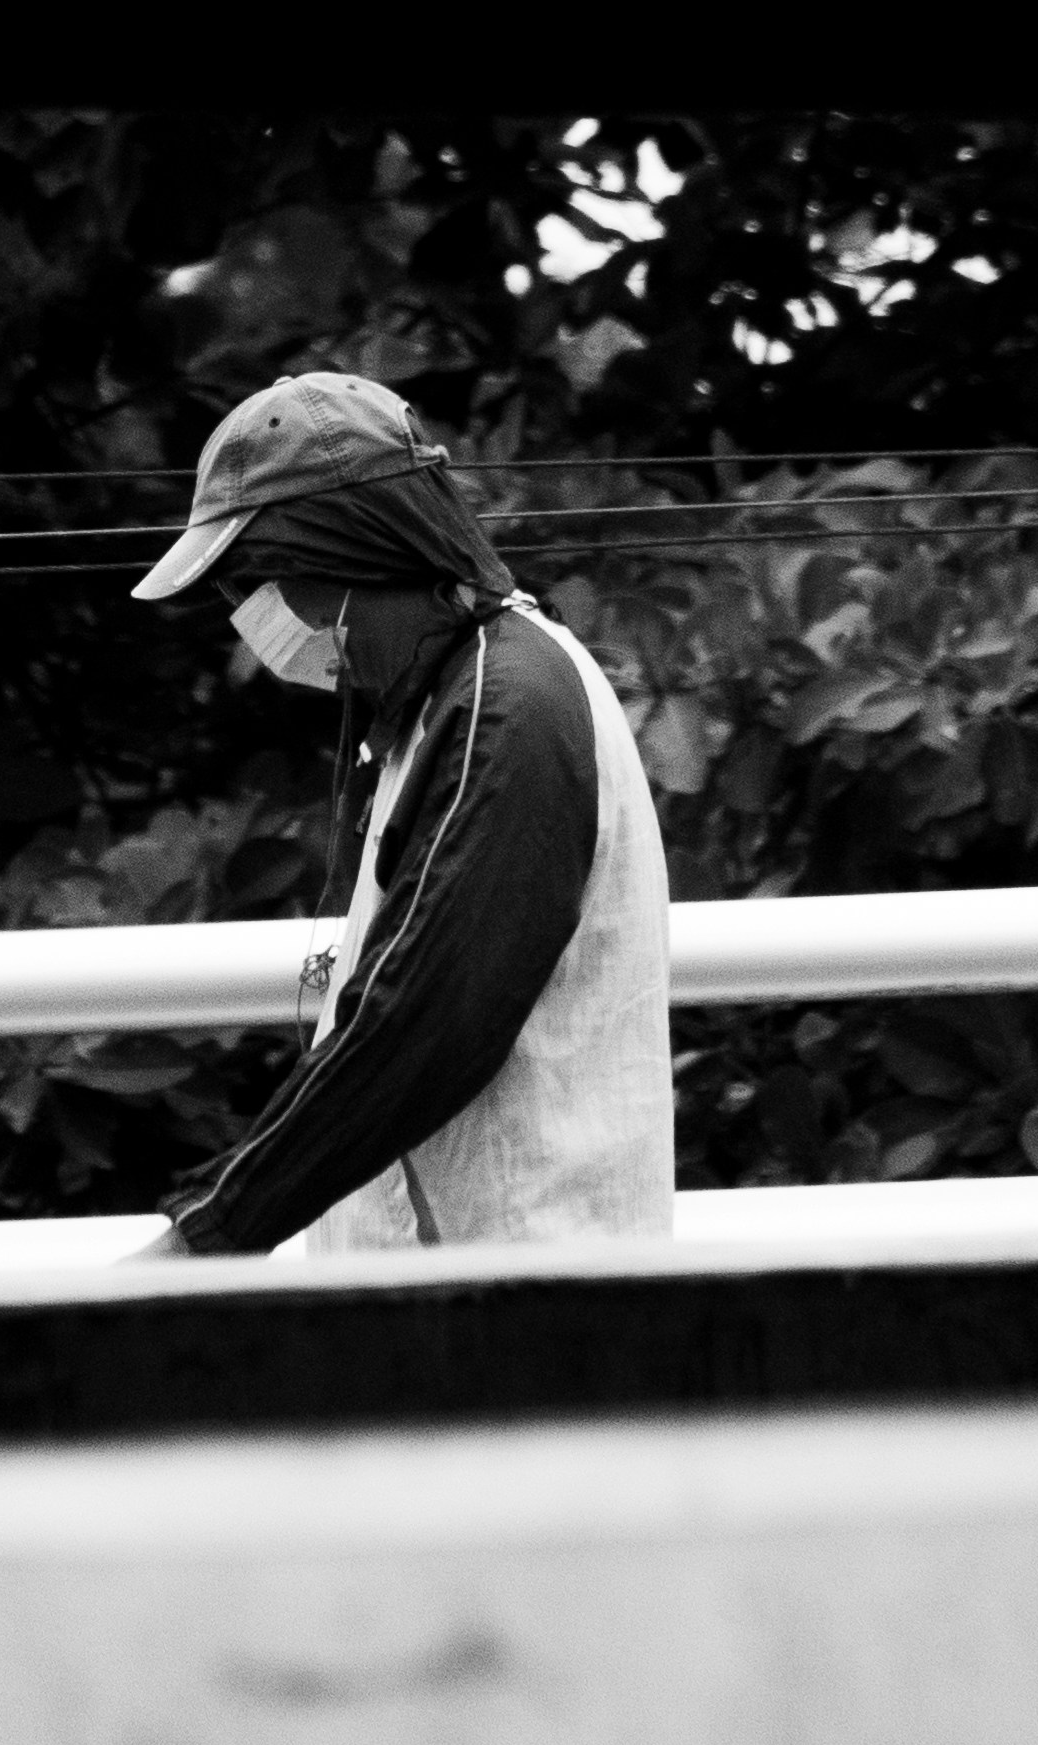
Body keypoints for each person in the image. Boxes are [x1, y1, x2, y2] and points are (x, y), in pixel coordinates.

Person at [123, 371, 674, 1257]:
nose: (249, 617)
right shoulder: (449, 696)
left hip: (512, 1305)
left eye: (253, 583)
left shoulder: (510, 709)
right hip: (467, 1295)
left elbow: (419, 1017)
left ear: (346, 554)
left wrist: (210, 1234)